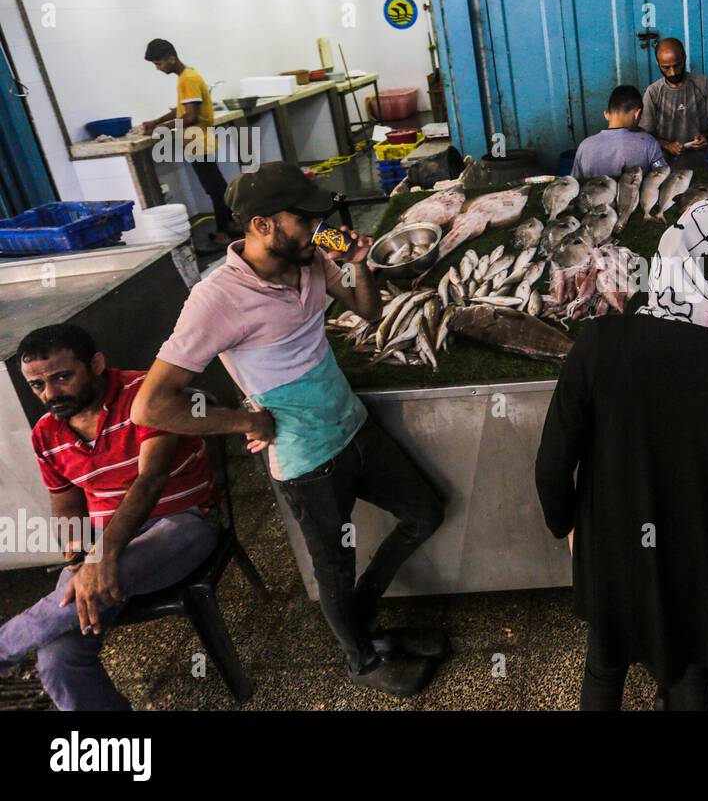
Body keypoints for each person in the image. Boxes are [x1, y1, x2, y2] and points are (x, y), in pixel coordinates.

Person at [131, 162, 447, 698]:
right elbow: (151, 406)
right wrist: (243, 421)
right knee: (332, 565)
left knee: (424, 511)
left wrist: (357, 264)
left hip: (353, 426)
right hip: (305, 460)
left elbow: (368, 312)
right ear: (261, 225)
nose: (319, 227)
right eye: (304, 218)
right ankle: (362, 660)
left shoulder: (309, 256)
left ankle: (364, 613)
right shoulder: (215, 300)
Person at [535, 199, 708, 711]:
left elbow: (555, 458)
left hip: (611, 547)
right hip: (702, 553)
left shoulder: (601, 341)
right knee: (687, 670)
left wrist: (570, 524)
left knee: (604, 664)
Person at [0, 325, 218, 711]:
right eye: (37, 385)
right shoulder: (46, 434)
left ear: (96, 364)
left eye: (62, 377)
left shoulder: (146, 395)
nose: (50, 394)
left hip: (181, 525)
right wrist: (79, 558)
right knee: (58, 658)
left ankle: (4, 647)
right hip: (104, 545)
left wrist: (103, 558)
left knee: (64, 604)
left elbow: (151, 480)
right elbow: (66, 505)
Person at [140, 38, 234, 247]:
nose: (157, 68)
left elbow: (190, 117)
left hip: (196, 140)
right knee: (218, 185)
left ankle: (222, 232)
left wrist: (161, 129)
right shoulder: (187, 75)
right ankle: (230, 224)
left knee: (214, 188)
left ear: (171, 58)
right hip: (198, 139)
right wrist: (156, 121)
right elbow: (181, 110)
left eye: (159, 63)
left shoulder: (187, 80)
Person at [639, 37, 708, 169]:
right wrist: (667, 145)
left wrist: (706, 136)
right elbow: (644, 134)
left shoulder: (703, 83)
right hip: (665, 168)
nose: (672, 72)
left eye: (676, 65)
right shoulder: (653, 92)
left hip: (700, 165)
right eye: (666, 67)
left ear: (684, 58)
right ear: (658, 63)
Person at [571, 85, 667, 179]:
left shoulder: (585, 146)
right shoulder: (648, 142)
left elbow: (574, 184)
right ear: (637, 114)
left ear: (606, 114)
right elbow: (662, 176)